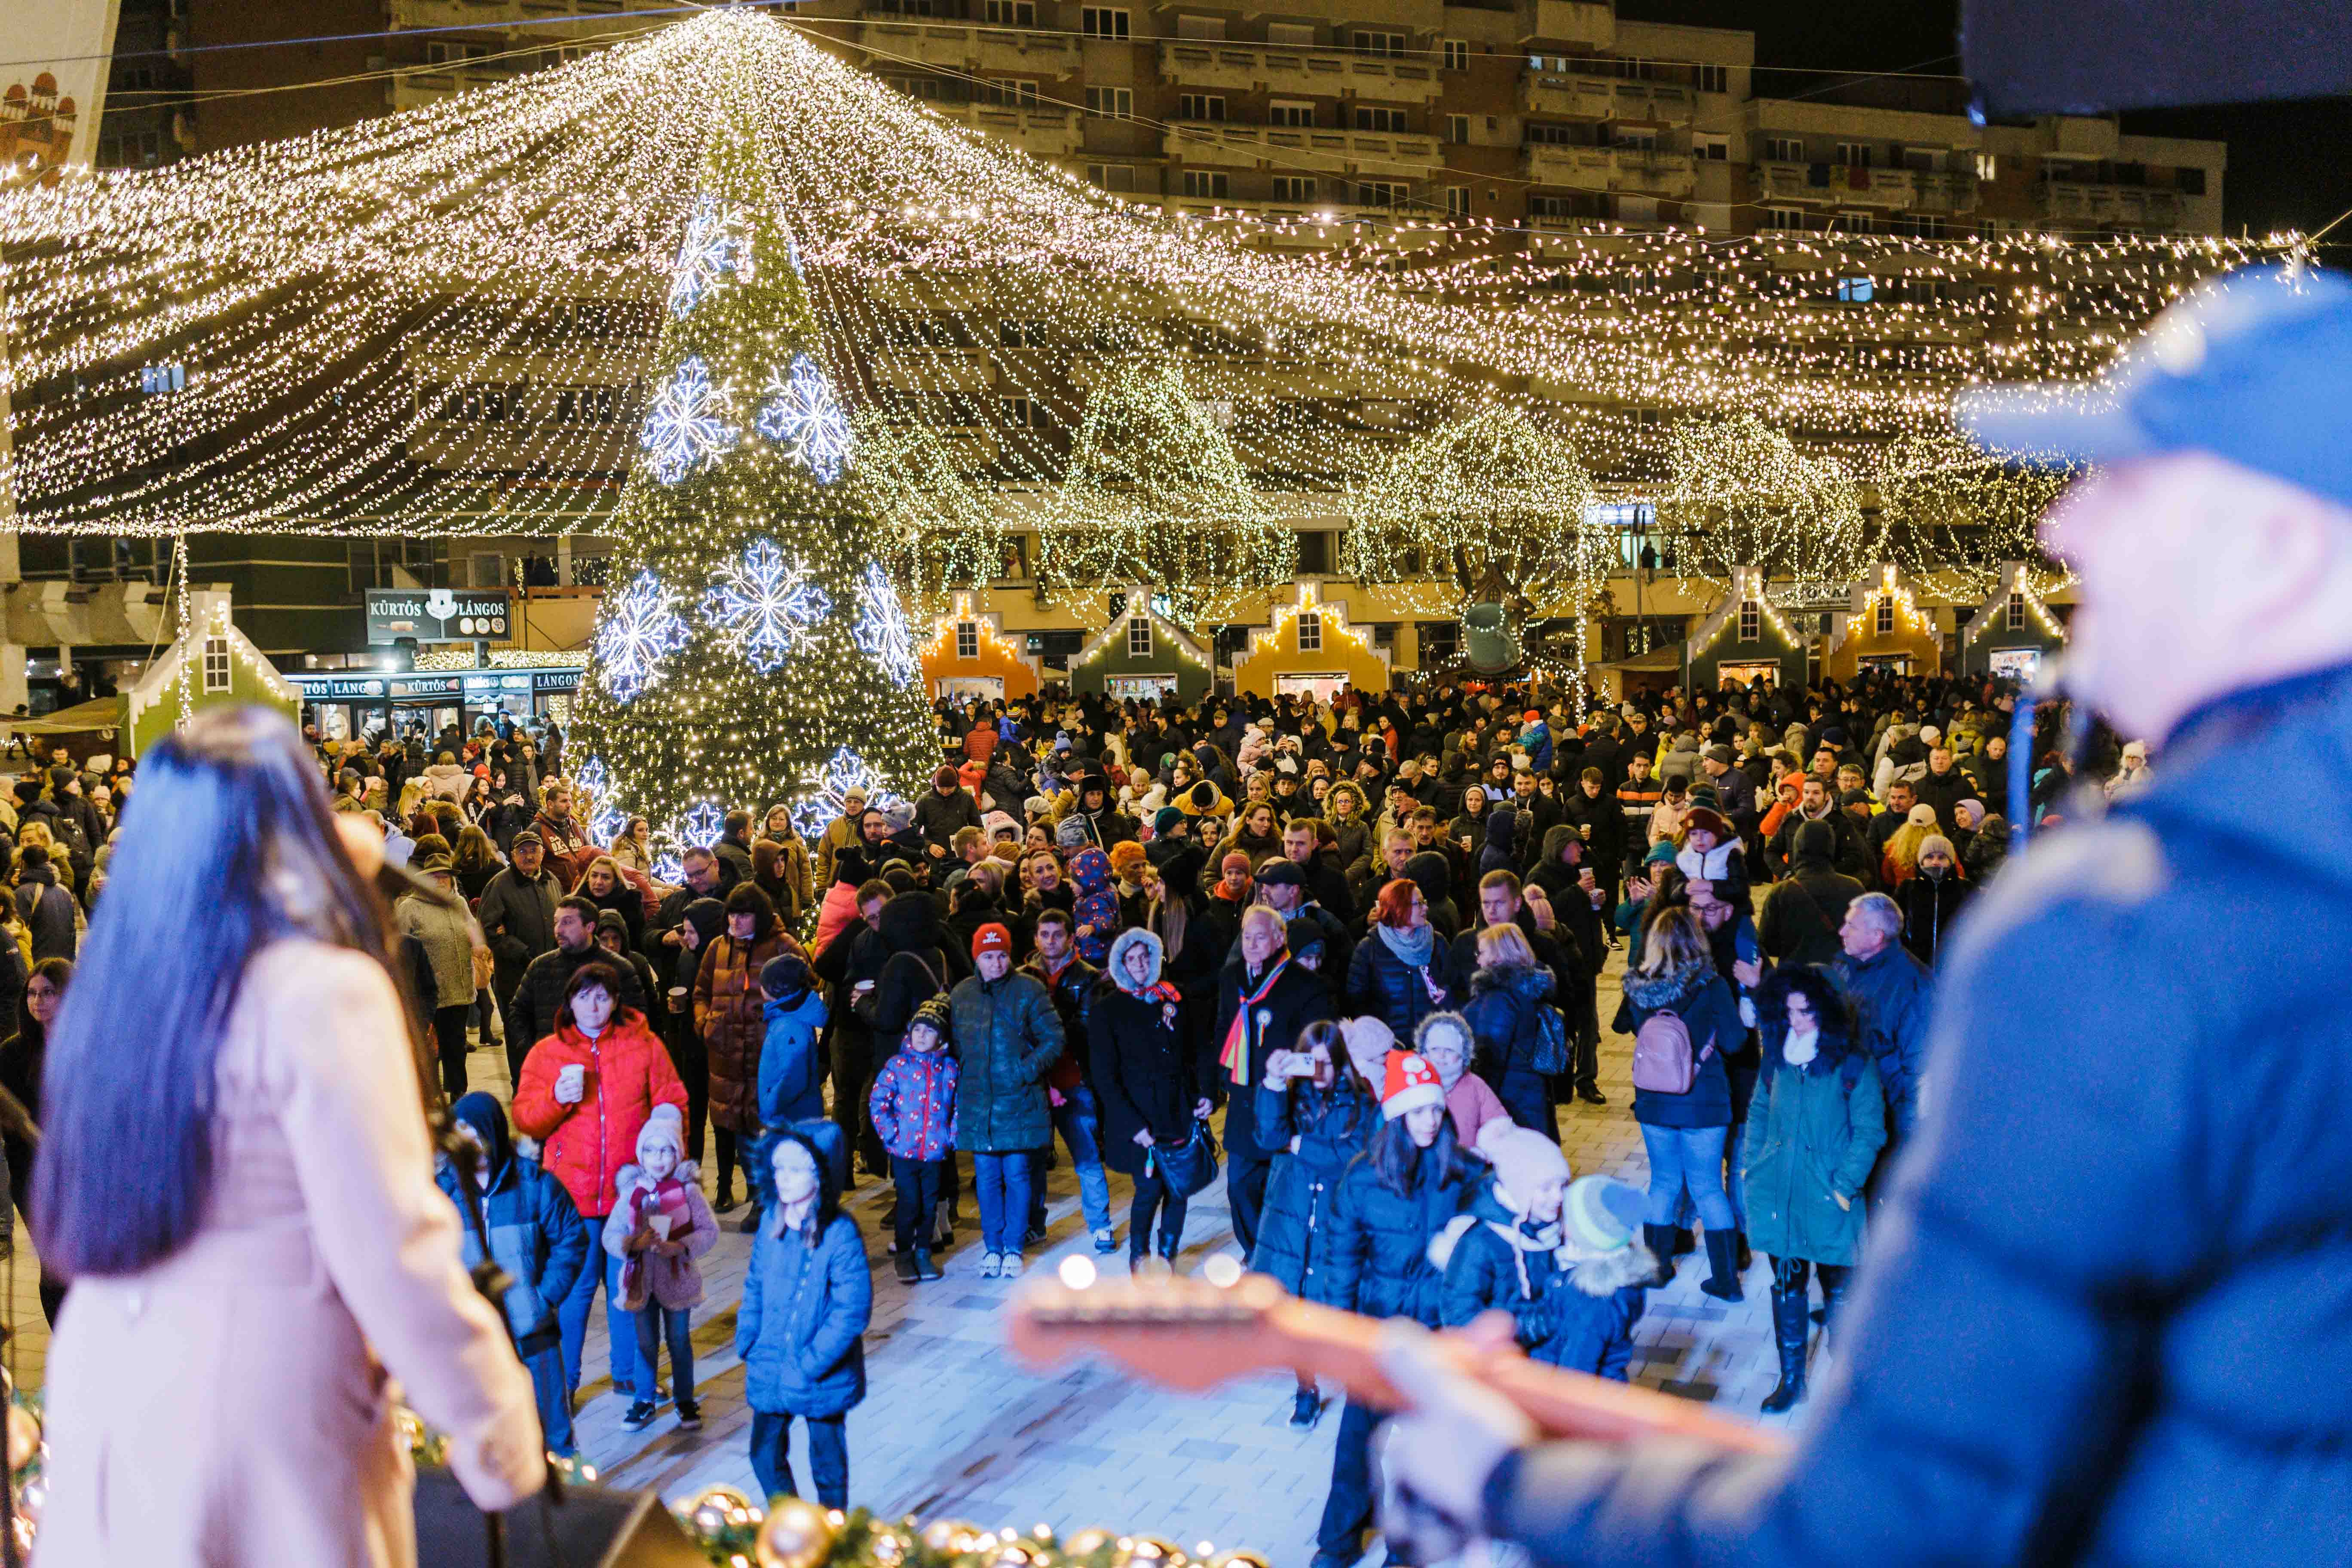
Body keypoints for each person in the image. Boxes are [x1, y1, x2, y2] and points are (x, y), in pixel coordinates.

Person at [1368, 265, 2352, 1568]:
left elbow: (1887, 1531)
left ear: (2283, 548)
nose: (2067, 529)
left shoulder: (2131, 939)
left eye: (2133, 481)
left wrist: (1512, 1481)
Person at [32, 709, 542, 1565]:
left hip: (108, 1383)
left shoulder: (116, 992)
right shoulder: (317, 991)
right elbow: (390, 1243)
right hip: (259, 1402)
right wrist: (496, 1430)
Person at [1310, 1050, 1476, 1568]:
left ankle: (1406, 1550)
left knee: (1425, 1451)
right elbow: (1341, 1262)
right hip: (1380, 1335)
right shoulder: (1363, 1179)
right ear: (1397, 1116)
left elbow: (1492, 1231)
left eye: (1435, 1111)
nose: (1430, 1120)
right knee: (1357, 1443)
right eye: (1418, 1112)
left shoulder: (1462, 1171)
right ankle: (1337, 1541)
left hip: (1438, 1335)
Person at [511, 960, 688, 1405]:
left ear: (616, 1002)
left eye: (604, 996)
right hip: (571, 1195)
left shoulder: (644, 1046)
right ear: (569, 1002)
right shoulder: (547, 1053)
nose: (594, 1005)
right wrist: (557, 1100)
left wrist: (664, 1152)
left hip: (634, 1196)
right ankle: (564, 1383)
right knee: (573, 1292)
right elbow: (525, 1116)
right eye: (585, 996)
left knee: (632, 1288)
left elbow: (672, 1100)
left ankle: (630, 1374)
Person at [1740, 965, 1886, 1414]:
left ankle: (1849, 1383)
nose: (1796, 1021)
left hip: (1828, 1198)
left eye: (1805, 1012)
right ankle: (1792, 1381)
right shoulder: (1778, 1056)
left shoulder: (1853, 1064)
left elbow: (1869, 1133)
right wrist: (1752, 1167)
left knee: (1841, 1288)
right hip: (1781, 1195)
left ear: (1826, 1010)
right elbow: (1759, 1114)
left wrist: (1843, 1187)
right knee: (1787, 1287)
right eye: (1789, 1011)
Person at [1435, 1126, 1652, 1383]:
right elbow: (1459, 1317)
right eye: (1545, 1188)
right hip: (1504, 1372)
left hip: (1551, 1367)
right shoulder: (1479, 1244)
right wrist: (1535, 1324)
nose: (1558, 1197)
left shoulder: (1558, 1226)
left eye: (1562, 1186)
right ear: (1519, 1189)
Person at [439, 1091, 589, 1457]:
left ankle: (565, 1505)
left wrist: (544, 1297)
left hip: (533, 1334)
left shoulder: (535, 1185)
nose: (468, 1145)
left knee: (554, 1438)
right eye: (460, 1136)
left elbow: (572, 1237)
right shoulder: (444, 1191)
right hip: (478, 1339)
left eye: (474, 1134)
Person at [1252, 1015, 1383, 1427]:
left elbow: (1353, 1158)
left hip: (1336, 1221)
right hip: (1290, 1219)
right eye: (1311, 1062)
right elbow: (1267, 1138)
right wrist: (1272, 1084)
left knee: (1341, 1306)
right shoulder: (1291, 1096)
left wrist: (1300, 1144)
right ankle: (1305, 1388)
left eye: (1327, 1062)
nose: (1319, 1072)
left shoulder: (1362, 1100)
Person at [1613, 906, 1745, 1301]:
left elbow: (1624, 1026)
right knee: (1707, 1187)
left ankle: (1655, 1270)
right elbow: (1736, 1043)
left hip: (1655, 1102)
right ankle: (1725, 1281)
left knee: (1664, 1183)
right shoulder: (1712, 985)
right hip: (1704, 1102)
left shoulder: (1638, 986)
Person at [738, 1129, 870, 1510]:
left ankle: (833, 1539)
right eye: (779, 1169)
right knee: (764, 1454)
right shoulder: (771, 1221)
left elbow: (851, 1311)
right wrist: (749, 1334)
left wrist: (812, 1362)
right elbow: (755, 1283)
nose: (783, 1179)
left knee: (827, 1466)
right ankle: (793, 1528)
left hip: (820, 1373)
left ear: (820, 1176)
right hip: (770, 1360)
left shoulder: (840, 1233)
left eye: (795, 1171)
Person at [1212, 903, 1335, 1259]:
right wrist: (1223, 1074)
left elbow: (1319, 1047)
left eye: (1260, 936)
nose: (1251, 944)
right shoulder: (1231, 977)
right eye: (1246, 936)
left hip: (1288, 1102)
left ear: (1280, 938)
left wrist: (1289, 1077)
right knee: (1239, 1185)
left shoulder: (1306, 984)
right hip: (1243, 1099)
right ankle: (1256, 1252)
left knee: (1284, 1186)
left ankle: (1284, 1257)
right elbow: (1222, 1027)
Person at [1090, 928, 1213, 1271]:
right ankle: (1140, 1255)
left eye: (1146, 957)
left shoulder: (1175, 998)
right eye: (1132, 959)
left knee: (1179, 1187)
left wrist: (1206, 1091)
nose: (1141, 965)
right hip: (1139, 1117)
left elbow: (1200, 1048)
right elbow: (1105, 1077)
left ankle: (1168, 1255)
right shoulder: (1108, 1011)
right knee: (1149, 1187)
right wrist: (1131, 1124)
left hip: (1177, 1109)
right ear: (1120, 964)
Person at [948, 922, 1064, 1277]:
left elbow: (1054, 1038)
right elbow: (953, 1045)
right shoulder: (962, 995)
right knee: (985, 1179)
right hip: (979, 1103)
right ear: (977, 958)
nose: (996, 964)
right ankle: (992, 1246)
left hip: (1018, 1100)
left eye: (1002, 956)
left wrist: (1023, 1071)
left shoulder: (1028, 990)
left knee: (1016, 1175)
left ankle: (1013, 1244)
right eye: (988, 956)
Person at [603, 1106, 718, 1432]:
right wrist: (631, 1245)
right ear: (641, 1154)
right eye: (650, 1150)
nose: (658, 1158)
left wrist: (680, 1247)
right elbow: (610, 1235)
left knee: (679, 1341)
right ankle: (644, 1399)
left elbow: (709, 1232)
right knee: (645, 1342)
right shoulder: (630, 1193)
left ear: (678, 1153)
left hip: (677, 1282)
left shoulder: (687, 1191)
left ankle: (684, 1399)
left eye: (666, 1150)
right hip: (641, 1282)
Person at [696, 883, 799, 1225]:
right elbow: (701, 991)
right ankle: (756, 1195)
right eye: (732, 913)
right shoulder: (717, 948)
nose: (736, 920)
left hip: (765, 1056)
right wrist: (706, 1024)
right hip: (727, 1055)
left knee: (766, 1126)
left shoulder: (783, 947)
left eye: (744, 914)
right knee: (739, 1126)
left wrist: (780, 1032)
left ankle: (770, 1198)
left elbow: (805, 985)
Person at [1831, 891, 1933, 1157]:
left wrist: (1909, 1146)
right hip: (1844, 1111)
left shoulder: (1913, 984)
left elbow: (1920, 1068)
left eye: (1851, 926)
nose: (1842, 931)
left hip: (1884, 1125)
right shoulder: (1843, 966)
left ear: (1877, 937)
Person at [869, 995, 959, 1282]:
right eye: (918, 1029)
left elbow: (960, 1106)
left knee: (929, 1205)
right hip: (904, 1151)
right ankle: (905, 1256)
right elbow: (879, 1101)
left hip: (934, 1152)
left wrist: (950, 1136)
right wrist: (891, 1135)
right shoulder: (897, 1065)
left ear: (941, 1036)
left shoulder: (950, 1068)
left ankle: (923, 1253)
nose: (922, 1036)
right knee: (909, 1204)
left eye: (930, 1030)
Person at [0, 958, 69, 1325]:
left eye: (48, 993)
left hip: (80, 1173)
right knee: (53, 1266)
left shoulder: (89, 1046)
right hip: (33, 1176)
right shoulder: (12, 1052)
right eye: (32, 993)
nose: (38, 1001)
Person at [398, 854, 488, 1097]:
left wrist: (480, 946)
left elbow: (474, 931)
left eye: (445, 877)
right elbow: (399, 946)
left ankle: (458, 1097)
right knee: (429, 1051)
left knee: (456, 1048)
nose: (441, 882)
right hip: (427, 993)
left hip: (459, 990)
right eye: (435, 877)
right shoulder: (410, 908)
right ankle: (429, 1101)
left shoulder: (458, 904)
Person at [1461, 921, 1562, 1137]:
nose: (1478, 959)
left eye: (1482, 952)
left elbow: (1490, 1059)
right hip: (1530, 1094)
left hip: (1510, 1100)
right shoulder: (1524, 989)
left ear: (1498, 956)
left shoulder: (1499, 998)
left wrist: (1478, 1104)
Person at [477, 828, 561, 1083]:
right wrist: (523, 953)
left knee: (550, 1034)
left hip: (552, 976)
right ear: (512, 855)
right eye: (522, 851)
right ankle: (523, 1088)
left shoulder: (552, 882)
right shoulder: (500, 885)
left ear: (543, 854)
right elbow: (489, 930)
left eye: (534, 850)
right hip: (516, 978)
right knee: (519, 1037)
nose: (528, 856)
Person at [1346, 877, 1461, 1043]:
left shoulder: (1438, 943)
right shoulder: (1370, 948)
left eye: (1425, 902)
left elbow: (1455, 986)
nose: (1426, 908)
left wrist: (1447, 997)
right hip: (1388, 1046)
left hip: (1432, 1044)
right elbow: (1356, 1001)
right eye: (1419, 904)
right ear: (1399, 907)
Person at [1415, 1008, 1510, 1153]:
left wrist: (1482, 1153)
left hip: (1465, 1166)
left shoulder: (1475, 1085)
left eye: (1450, 1050)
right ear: (1425, 1051)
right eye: (1435, 1049)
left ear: (1462, 1055)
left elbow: (1498, 1124)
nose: (1441, 1055)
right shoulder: (1413, 1082)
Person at [1898, 834, 1973, 965]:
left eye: (1942, 857)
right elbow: (1894, 926)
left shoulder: (1966, 888)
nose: (1935, 862)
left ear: (1951, 861)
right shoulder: (1907, 888)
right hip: (1914, 965)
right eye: (1929, 857)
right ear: (1921, 861)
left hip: (1955, 965)